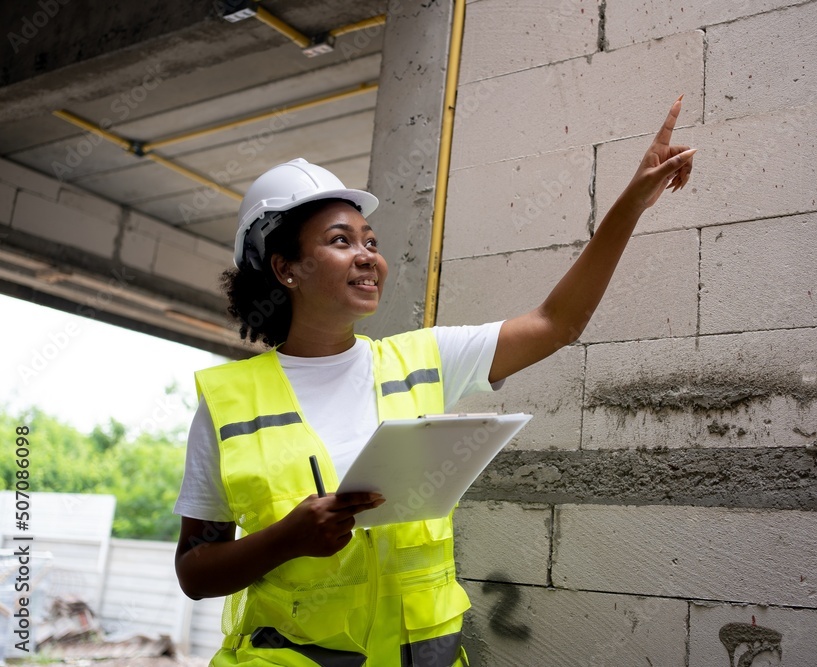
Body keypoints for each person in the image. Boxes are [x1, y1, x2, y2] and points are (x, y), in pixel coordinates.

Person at [173, 95, 696, 667]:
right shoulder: (228, 403)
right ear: (284, 269)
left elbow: (556, 323)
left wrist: (631, 206)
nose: (368, 255)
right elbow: (196, 572)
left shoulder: (423, 359)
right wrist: (285, 539)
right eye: (341, 240)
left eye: (370, 241)